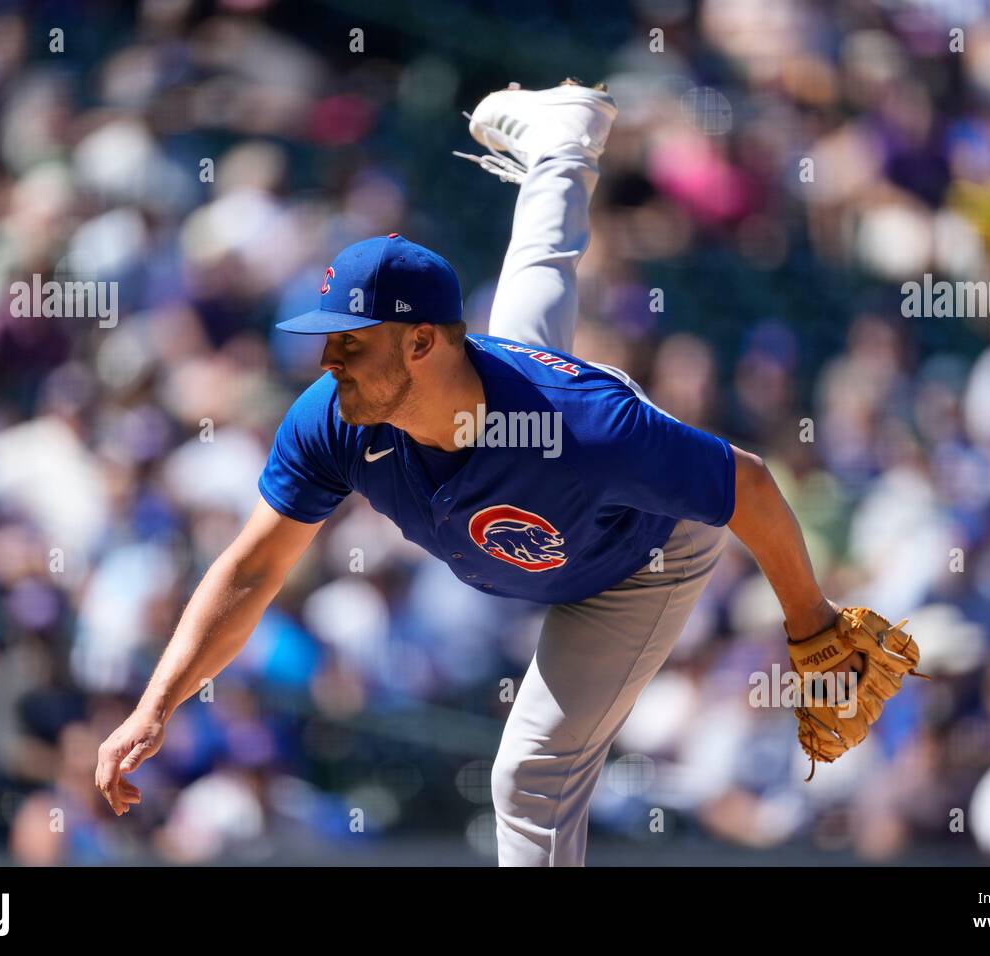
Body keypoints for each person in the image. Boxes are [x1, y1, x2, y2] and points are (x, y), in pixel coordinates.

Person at [95, 78, 857, 866]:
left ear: (420, 343)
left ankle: (563, 156)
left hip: (639, 559)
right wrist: (157, 706)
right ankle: (562, 146)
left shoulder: (588, 427)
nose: (328, 360)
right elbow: (254, 568)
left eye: (350, 342)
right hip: (523, 441)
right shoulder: (335, 415)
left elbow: (750, 485)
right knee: (528, 317)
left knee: (530, 774)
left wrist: (813, 626)